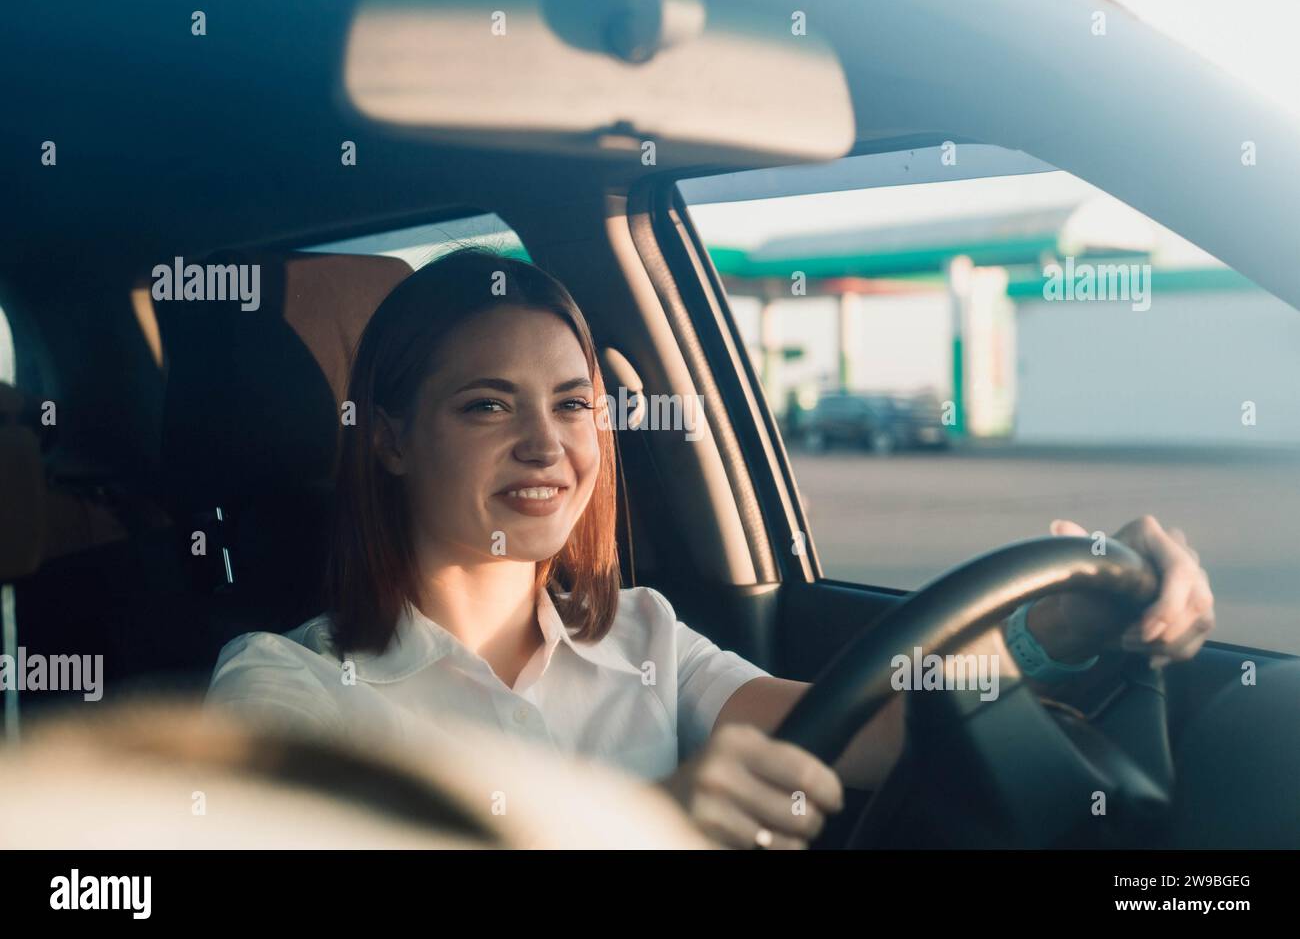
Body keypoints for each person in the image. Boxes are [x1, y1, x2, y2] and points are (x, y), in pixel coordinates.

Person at [207, 248, 1216, 850]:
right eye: (486, 406)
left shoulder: (645, 637)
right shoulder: (285, 684)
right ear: (387, 436)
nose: (547, 446)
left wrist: (1054, 629)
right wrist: (640, 823)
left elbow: (881, 726)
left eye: (572, 405)